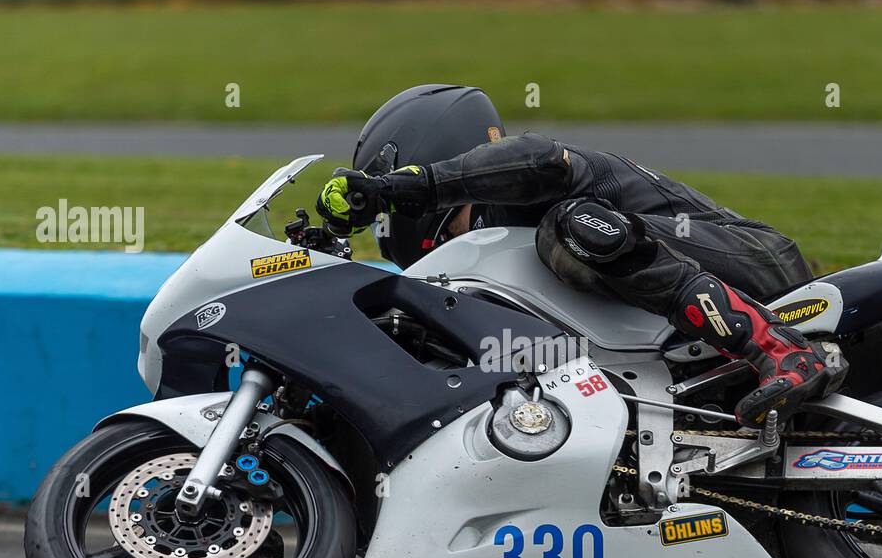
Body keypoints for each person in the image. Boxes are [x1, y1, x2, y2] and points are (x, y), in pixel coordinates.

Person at [315, 84, 847, 426]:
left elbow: (540, 162)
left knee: (571, 228)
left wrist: (413, 185)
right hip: (675, 335)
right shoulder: (476, 254)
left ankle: (779, 350)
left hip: (757, 262)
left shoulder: (518, 177)